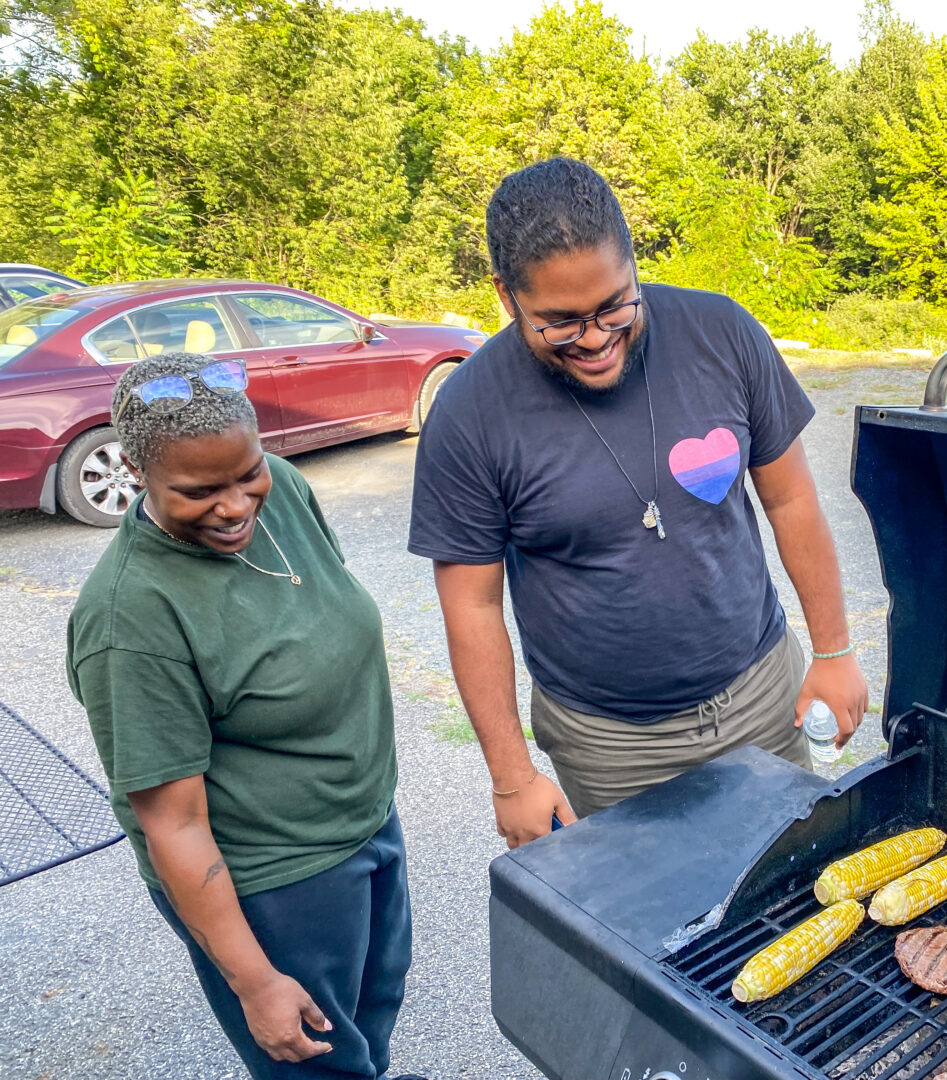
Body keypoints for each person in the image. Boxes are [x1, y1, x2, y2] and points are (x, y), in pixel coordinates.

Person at [408, 157, 869, 848]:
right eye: (560, 322)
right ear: (507, 297)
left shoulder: (724, 333)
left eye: (614, 306)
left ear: (633, 262)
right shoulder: (470, 413)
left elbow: (792, 499)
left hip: (761, 696)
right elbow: (471, 605)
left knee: (788, 888)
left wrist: (833, 652)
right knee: (655, 928)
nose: (594, 338)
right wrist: (511, 776)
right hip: (609, 744)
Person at [66, 353, 424, 1080]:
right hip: (271, 877)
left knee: (368, 1021)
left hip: (362, 821)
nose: (235, 506)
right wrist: (255, 982)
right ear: (135, 471)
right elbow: (173, 824)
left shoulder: (282, 490)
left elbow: (323, 605)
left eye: (245, 473)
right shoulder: (129, 620)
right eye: (199, 491)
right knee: (314, 1060)